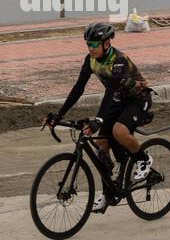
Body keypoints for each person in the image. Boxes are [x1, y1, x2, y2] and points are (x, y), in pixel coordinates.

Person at [47, 22, 154, 214]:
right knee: (103, 144)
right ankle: (108, 193)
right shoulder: (90, 60)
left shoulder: (118, 60)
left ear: (106, 43)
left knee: (118, 131)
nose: (91, 48)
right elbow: (78, 88)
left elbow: (113, 90)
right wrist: (59, 114)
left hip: (137, 100)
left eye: (94, 44)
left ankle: (143, 159)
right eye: (88, 44)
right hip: (117, 100)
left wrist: (98, 120)